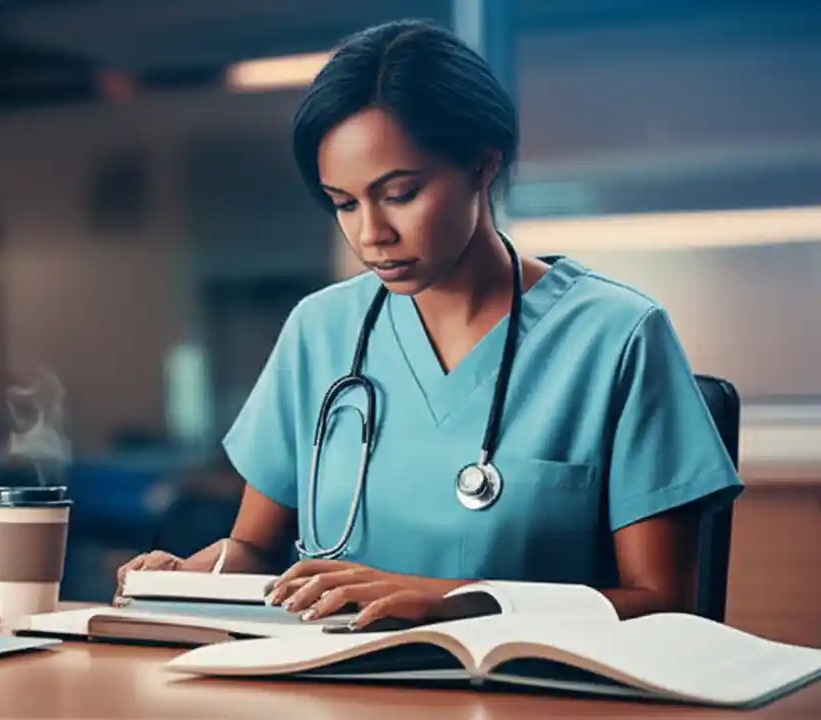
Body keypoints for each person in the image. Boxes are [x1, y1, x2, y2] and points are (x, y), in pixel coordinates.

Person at [116, 19, 742, 628]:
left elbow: (663, 603)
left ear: (481, 165)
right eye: (344, 204)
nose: (372, 234)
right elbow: (254, 551)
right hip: (322, 689)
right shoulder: (319, 331)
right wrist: (189, 577)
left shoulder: (616, 336)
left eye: (400, 193)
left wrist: (446, 600)